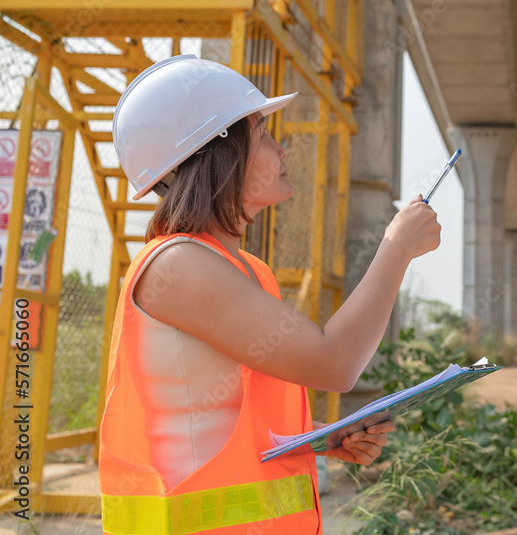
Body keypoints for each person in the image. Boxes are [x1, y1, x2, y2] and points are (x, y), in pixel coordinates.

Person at [99, 54, 441, 534]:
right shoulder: (180, 266)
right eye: (262, 134)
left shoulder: (246, 270)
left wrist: (319, 441)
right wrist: (396, 248)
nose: (282, 150)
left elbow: (221, 423)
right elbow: (335, 363)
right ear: (219, 153)